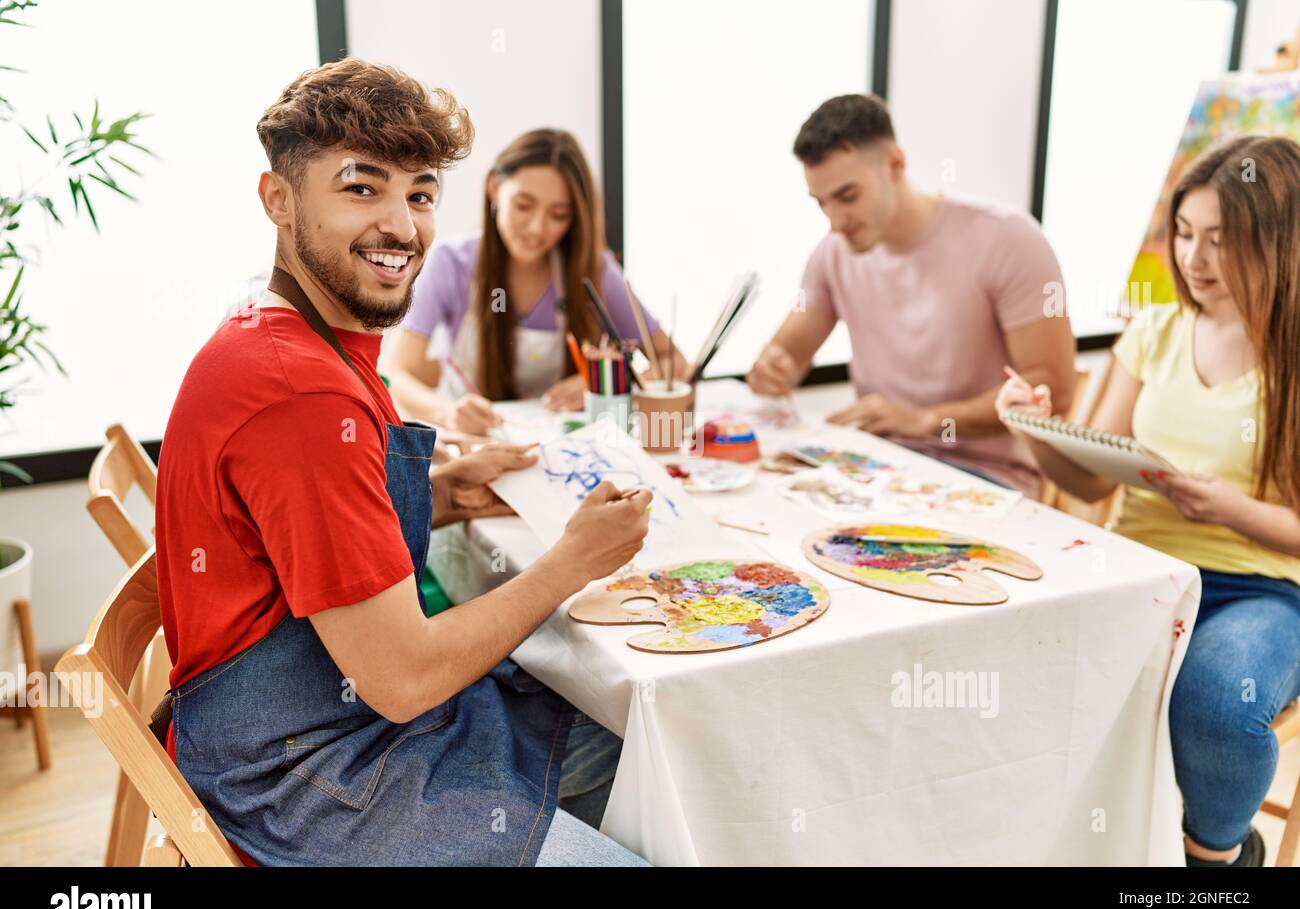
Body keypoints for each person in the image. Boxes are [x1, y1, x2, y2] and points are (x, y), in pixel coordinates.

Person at [154, 58, 652, 866]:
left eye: (419, 194)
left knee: (657, 746)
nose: (402, 226)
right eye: (362, 188)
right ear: (278, 201)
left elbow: (309, 531)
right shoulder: (299, 393)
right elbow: (404, 677)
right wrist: (570, 563)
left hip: (359, 722)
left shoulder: (299, 334)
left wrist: (445, 494)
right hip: (308, 770)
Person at [998, 135, 1300, 867]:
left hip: (1256, 589)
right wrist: (1031, 427)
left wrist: (1229, 508)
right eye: (1186, 235)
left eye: (1221, 241)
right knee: (1008, 655)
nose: (1193, 261)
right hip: (1138, 570)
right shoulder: (1156, 330)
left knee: (1219, 703)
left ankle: (1214, 861)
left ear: (1279, 242)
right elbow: (1092, 479)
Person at [746, 93, 1077, 497]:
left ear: (896, 165)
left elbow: (1053, 388)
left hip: (984, 480)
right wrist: (775, 366)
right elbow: (788, 353)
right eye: (822, 203)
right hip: (877, 471)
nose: (835, 220)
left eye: (848, 197)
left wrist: (920, 420)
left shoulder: (1008, 240)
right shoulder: (834, 252)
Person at [385, 128, 686, 435]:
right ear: (494, 188)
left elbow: (673, 360)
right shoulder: (450, 262)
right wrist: (447, 412)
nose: (536, 228)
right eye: (523, 206)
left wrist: (598, 383)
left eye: (558, 215)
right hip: (470, 446)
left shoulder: (592, 270)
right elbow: (398, 372)